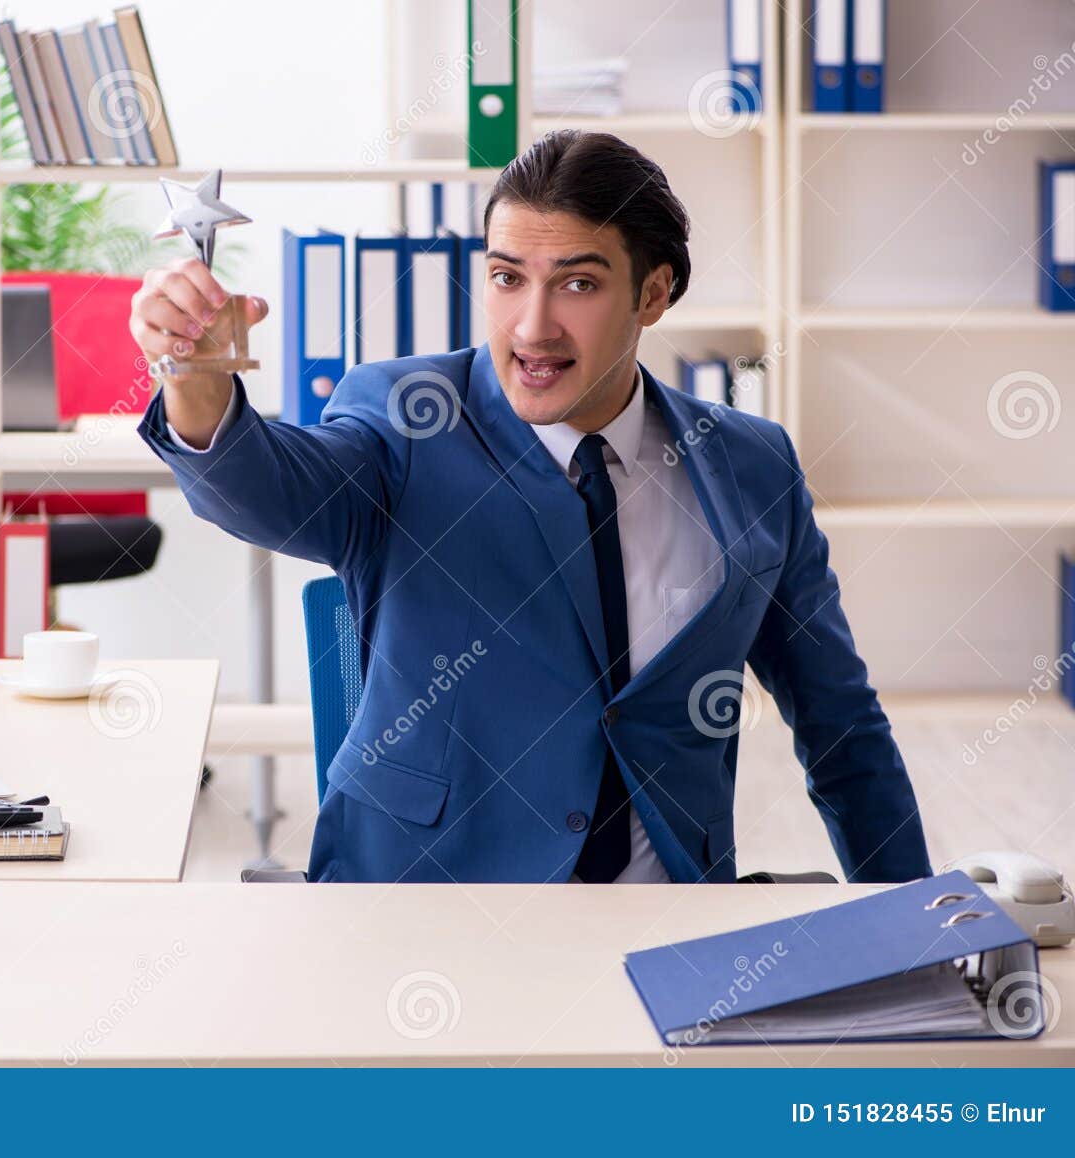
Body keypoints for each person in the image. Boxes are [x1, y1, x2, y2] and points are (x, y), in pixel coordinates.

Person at [129, 130, 931, 885]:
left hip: (667, 912)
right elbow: (271, 492)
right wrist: (195, 386)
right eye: (508, 278)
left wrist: (915, 920)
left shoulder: (751, 465)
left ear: (654, 293)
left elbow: (842, 727)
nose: (533, 326)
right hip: (425, 906)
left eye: (578, 283)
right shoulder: (405, 417)